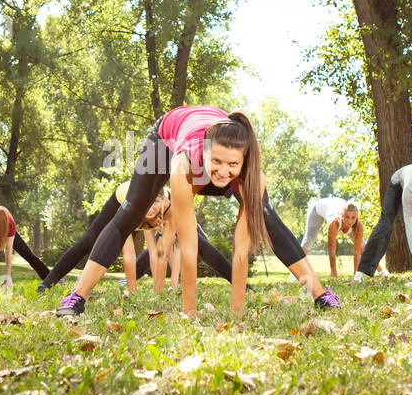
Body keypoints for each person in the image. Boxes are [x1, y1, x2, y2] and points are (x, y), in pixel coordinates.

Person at [53, 106, 340, 318]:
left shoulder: (250, 174)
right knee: (131, 211)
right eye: (216, 162)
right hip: (166, 137)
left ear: (242, 163)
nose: (223, 172)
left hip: (218, 142)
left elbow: (241, 250)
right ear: (204, 153)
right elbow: (188, 246)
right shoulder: (184, 165)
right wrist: (189, 313)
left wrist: (237, 314)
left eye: (232, 166)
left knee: (268, 218)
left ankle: (321, 295)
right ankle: (76, 297)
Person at [39, 183, 171, 293]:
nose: (151, 208)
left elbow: (157, 253)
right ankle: (46, 284)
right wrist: (133, 292)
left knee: (156, 249)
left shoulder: (170, 208)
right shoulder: (133, 204)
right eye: (148, 202)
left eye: (156, 202)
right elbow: (128, 253)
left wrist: (158, 292)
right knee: (89, 241)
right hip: (121, 202)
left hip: (143, 206)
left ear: (163, 200)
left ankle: (82, 282)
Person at [300, 197, 365, 277]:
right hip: (318, 210)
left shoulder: (358, 225)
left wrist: (356, 275)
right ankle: (294, 272)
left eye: (353, 218)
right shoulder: (334, 223)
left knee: (363, 246)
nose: (350, 221)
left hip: (337, 204)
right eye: (347, 217)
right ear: (342, 215)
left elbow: (357, 252)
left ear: (357, 216)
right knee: (308, 242)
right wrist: (334, 273)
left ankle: (382, 272)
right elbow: (332, 250)